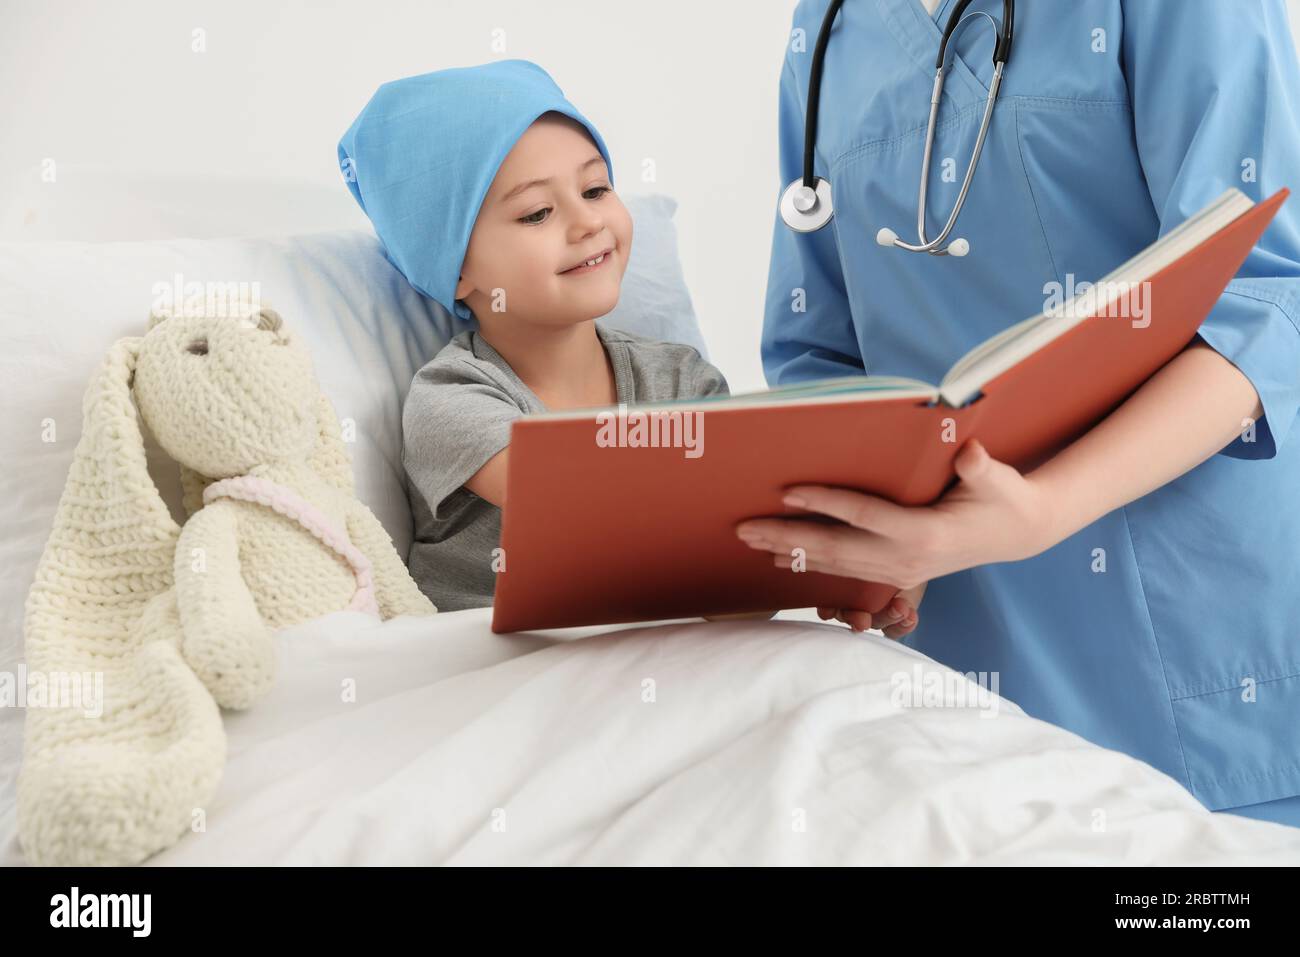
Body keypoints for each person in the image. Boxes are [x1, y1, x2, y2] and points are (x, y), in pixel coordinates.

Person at [737, 0, 1300, 827]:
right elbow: (817, 349)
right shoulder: (828, 29)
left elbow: (1265, 297)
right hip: (965, 654)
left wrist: (1047, 510)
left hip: (1196, 631)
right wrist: (867, 542)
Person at [338, 61, 728, 612]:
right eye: (538, 213)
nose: (587, 222)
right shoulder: (451, 401)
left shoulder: (681, 378)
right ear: (454, 271)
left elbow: (733, 587)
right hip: (512, 672)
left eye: (595, 189)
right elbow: (597, 512)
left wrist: (841, 575)